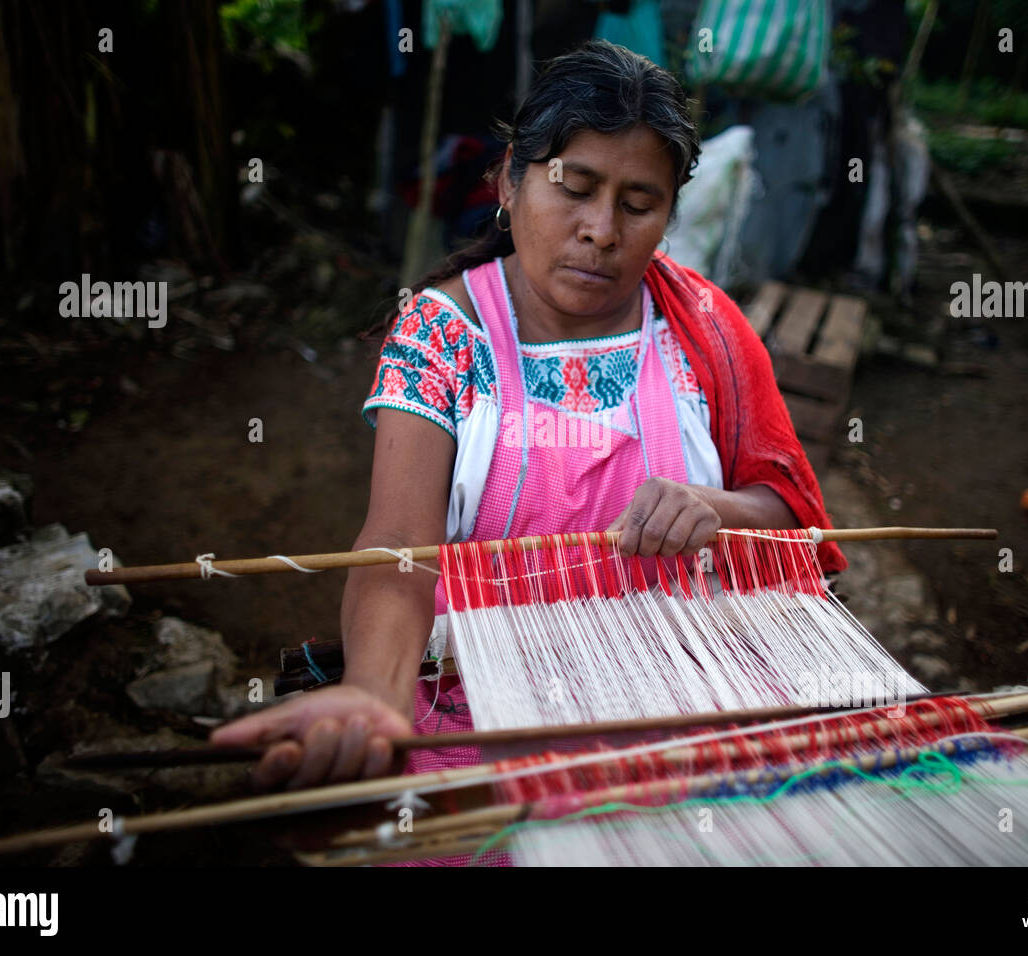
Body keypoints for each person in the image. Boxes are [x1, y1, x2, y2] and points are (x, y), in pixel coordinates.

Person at [212, 39, 846, 795]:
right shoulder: (442, 334)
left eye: (639, 205)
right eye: (573, 187)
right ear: (508, 181)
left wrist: (718, 507)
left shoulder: (702, 325)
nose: (603, 230)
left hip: (685, 700)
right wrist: (376, 700)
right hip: (486, 707)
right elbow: (396, 547)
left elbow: (792, 514)